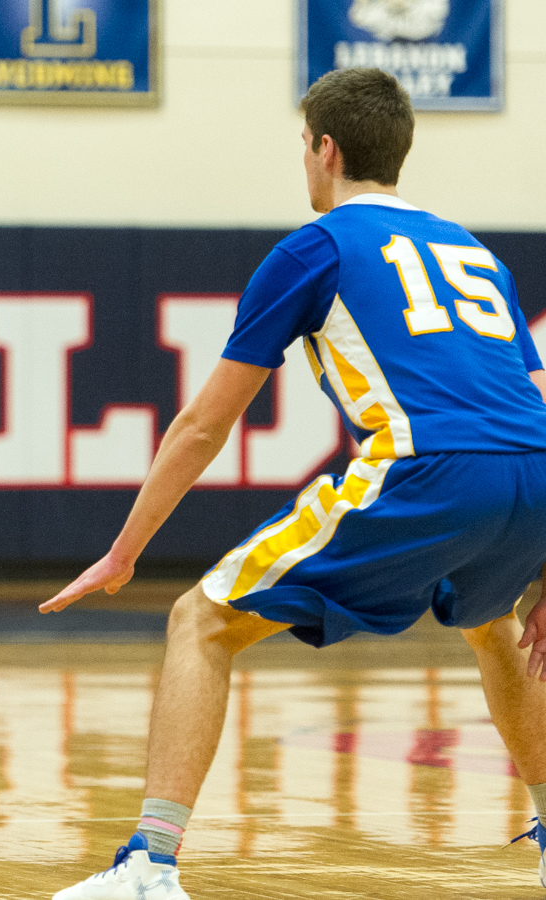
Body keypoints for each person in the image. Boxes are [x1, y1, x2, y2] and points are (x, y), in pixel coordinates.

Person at [43, 67, 546, 900]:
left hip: (428, 465)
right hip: (534, 471)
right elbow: (530, 404)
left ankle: (148, 867)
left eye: (303, 148)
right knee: (499, 629)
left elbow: (203, 424)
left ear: (325, 149)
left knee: (201, 620)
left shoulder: (314, 248)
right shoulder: (472, 248)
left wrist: (123, 551)